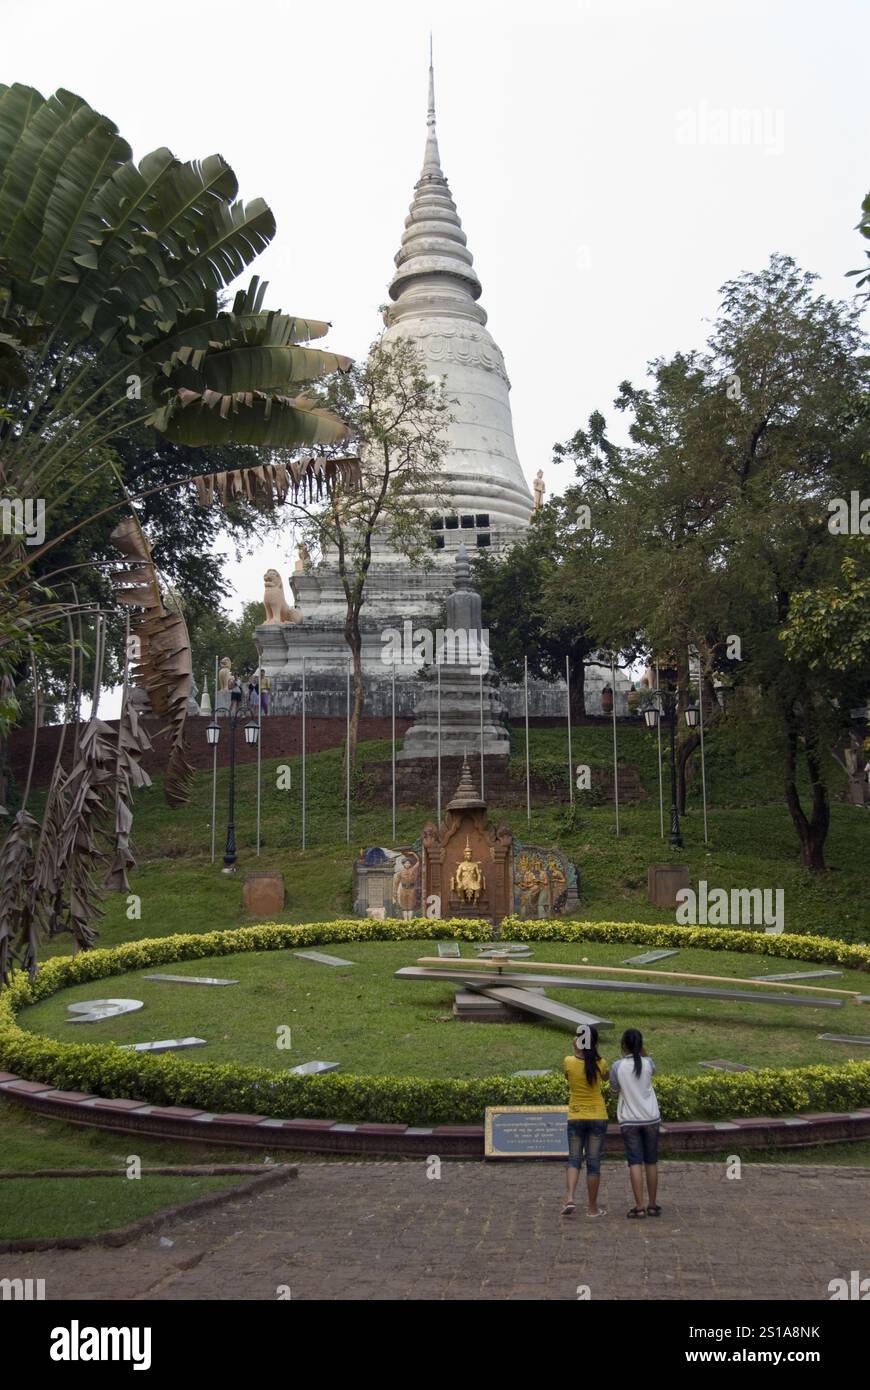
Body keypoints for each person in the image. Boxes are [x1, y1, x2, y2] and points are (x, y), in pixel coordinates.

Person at [610, 1027, 661, 1218]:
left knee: (634, 1163)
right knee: (651, 1162)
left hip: (629, 1120)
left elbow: (614, 1090)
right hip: (651, 1118)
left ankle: (639, 1206)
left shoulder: (617, 1066)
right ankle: (653, 1204)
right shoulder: (649, 1063)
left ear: (623, 1045)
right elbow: (650, 1070)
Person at [562, 1024, 608, 1218]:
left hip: (576, 1115)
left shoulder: (568, 1061)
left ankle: (570, 1197)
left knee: (574, 1159)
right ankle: (592, 1208)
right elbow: (605, 1077)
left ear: (577, 1040)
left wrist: (576, 1050)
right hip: (597, 1115)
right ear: (595, 1042)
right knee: (593, 1163)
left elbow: (568, 1075)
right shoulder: (601, 1063)